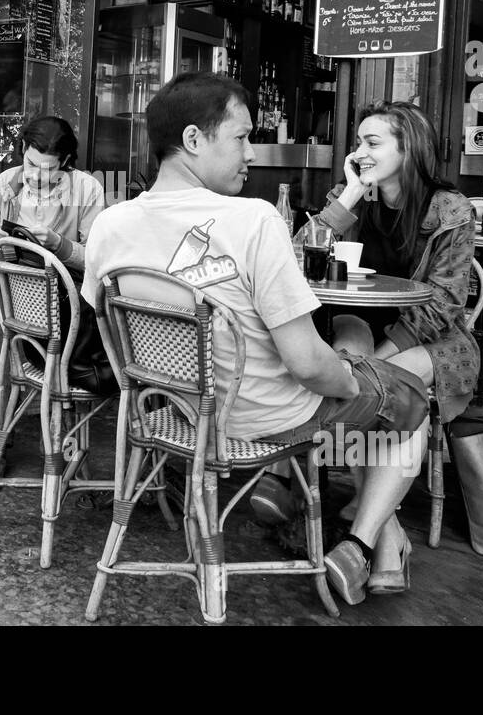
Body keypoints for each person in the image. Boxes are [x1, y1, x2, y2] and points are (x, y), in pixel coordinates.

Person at [80, 72, 429, 604]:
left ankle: (372, 537)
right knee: (407, 400)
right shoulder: (253, 220)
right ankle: (365, 544)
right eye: (241, 138)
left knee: (360, 374)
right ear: (194, 140)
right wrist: (353, 381)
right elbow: (309, 367)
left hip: (171, 413)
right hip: (265, 419)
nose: (253, 154)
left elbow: (113, 329)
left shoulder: (110, 224)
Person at [311, 101, 480, 519]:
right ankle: (377, 524)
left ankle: (363, 508)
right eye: (358, 143)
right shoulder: (350, 197)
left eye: (372, 143)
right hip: (357, 320)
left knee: (370, 383)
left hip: (434, 339)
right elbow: (298, 257)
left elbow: (444, 303)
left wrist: (376, 361)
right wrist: (349, 195)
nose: (359, 153)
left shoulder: (449, 209)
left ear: (409, 149)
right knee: (349, 373)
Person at [0, 116, 106, 495]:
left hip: (69, 299)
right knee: (0, 307)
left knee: (0, 315)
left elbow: (96, 258)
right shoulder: (5, 185)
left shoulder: (87, 189)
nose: (36, 176)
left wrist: (57, 244)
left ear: (67, 163)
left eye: (48, 169)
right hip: (15, 291)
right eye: (29, 165)